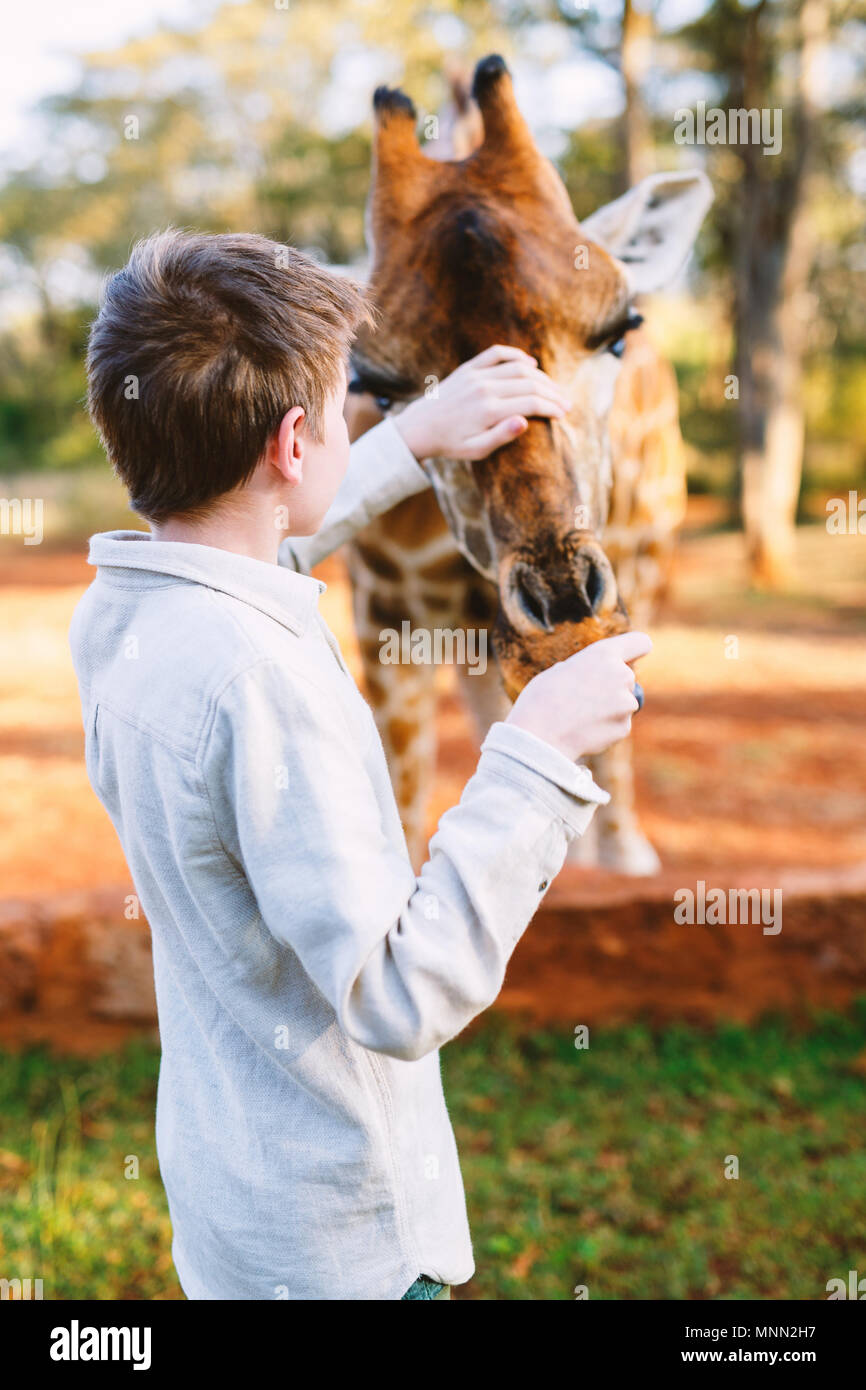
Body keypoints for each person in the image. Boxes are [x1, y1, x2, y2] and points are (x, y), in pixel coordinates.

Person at [70, 228, 650, 1301]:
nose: (358, 423)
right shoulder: (260, 685)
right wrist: (534, 754)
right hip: (351, 1255)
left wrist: (411, 433)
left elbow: (246, 542)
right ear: (295, 442)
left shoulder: (125, 616)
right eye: (352, 407)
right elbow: (397, 990)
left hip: (237, 1212)